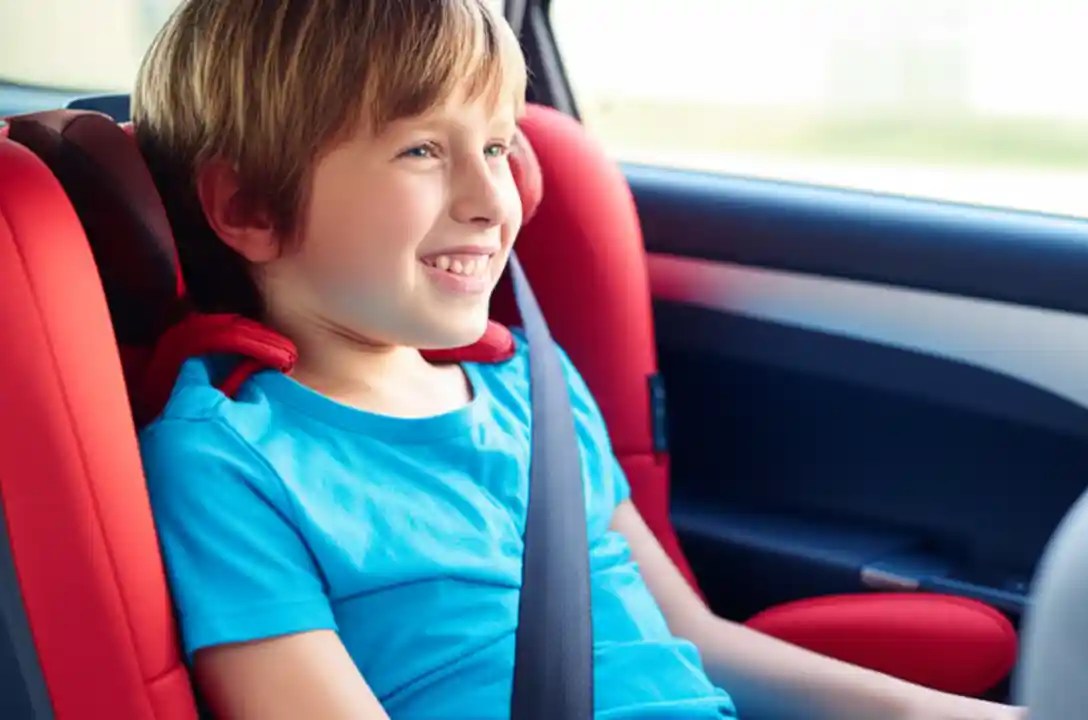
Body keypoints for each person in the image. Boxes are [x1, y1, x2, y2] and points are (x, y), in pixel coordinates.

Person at [134, 1, 1025, 718]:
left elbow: (694, 643)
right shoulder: (226, 463)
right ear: (249, 206)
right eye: (421, 150)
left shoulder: (531, 386)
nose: (494, 199)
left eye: (494, 147)